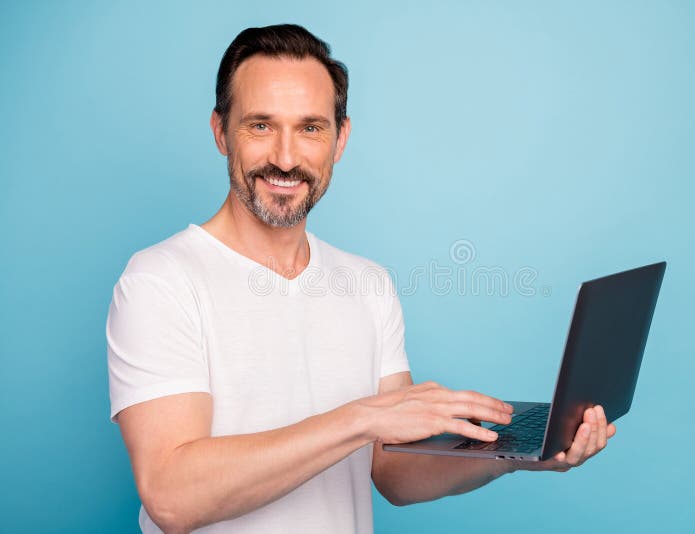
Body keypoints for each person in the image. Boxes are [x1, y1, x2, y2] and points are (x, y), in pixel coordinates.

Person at [106, 24, 615, 534]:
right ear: (221, 131)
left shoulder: (367, 284)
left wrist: (520, 454)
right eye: (261, 126)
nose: (285, 157)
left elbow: (393, 472)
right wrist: (362, 417)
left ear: (340, 139)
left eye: (310, 128)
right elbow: (172, 497)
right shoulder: (161, 281)